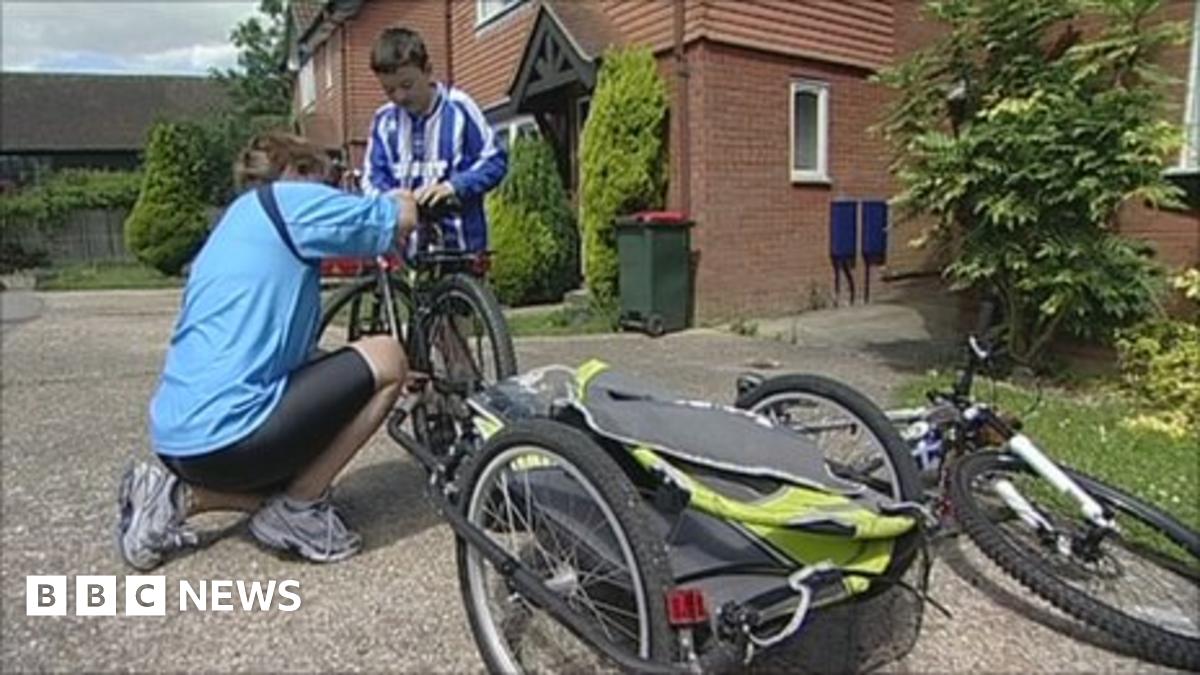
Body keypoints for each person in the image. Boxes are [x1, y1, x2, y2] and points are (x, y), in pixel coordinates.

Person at [117, 132, 417, 571]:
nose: (331, 191)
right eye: (325, 178)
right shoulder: (289, 201)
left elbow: (271, 351)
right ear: (296, 171)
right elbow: (392, 220)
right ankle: (299, 512)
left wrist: (349, 371)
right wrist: (407, 197)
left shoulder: (237, 223)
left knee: (358, 370)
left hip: (180, 439)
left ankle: (176, 497)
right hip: (230, 437)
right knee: (389, 355)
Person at [363, 26, 506, 255]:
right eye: (389, 90)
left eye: (407, 85)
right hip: (405, 253)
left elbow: (495, 161)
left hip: (462, 251)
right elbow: (372, 179)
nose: (400, 96)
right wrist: (391, 196)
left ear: (428, 71)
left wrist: (453, 186)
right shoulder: (384, 121)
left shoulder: (459, 108)